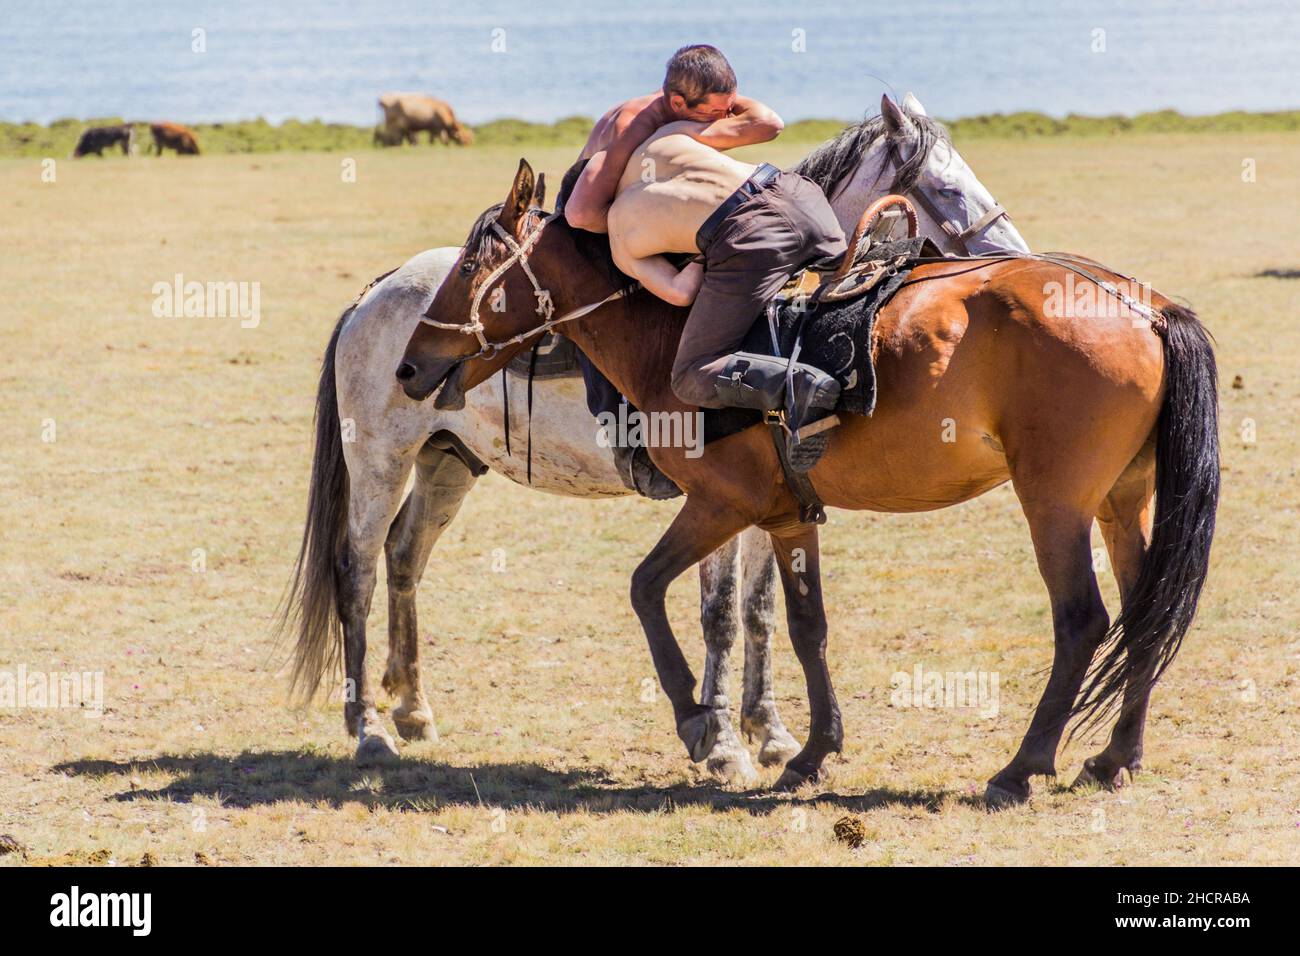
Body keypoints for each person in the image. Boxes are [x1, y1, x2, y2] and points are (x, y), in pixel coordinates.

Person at [557, 44, 784, 498]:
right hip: (591, 224)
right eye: (715, 112)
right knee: (601, 318)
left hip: (646, 206)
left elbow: (770, 123)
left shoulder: (689, 114)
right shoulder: (631, 128)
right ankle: (628, 444)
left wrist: (695, 135)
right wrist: (647, 231)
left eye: (729, 107)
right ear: (678, 103)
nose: (725, 117)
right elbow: (582, 213)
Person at [604, 124, 847, 436]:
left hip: (754, 237)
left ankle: (800, 385)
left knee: (691, 375)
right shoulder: (662, 143)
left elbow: (681, 292)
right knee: (846, 283)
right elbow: (767, 121)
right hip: (799, 192)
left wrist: (701, 256)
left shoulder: (618, 234)